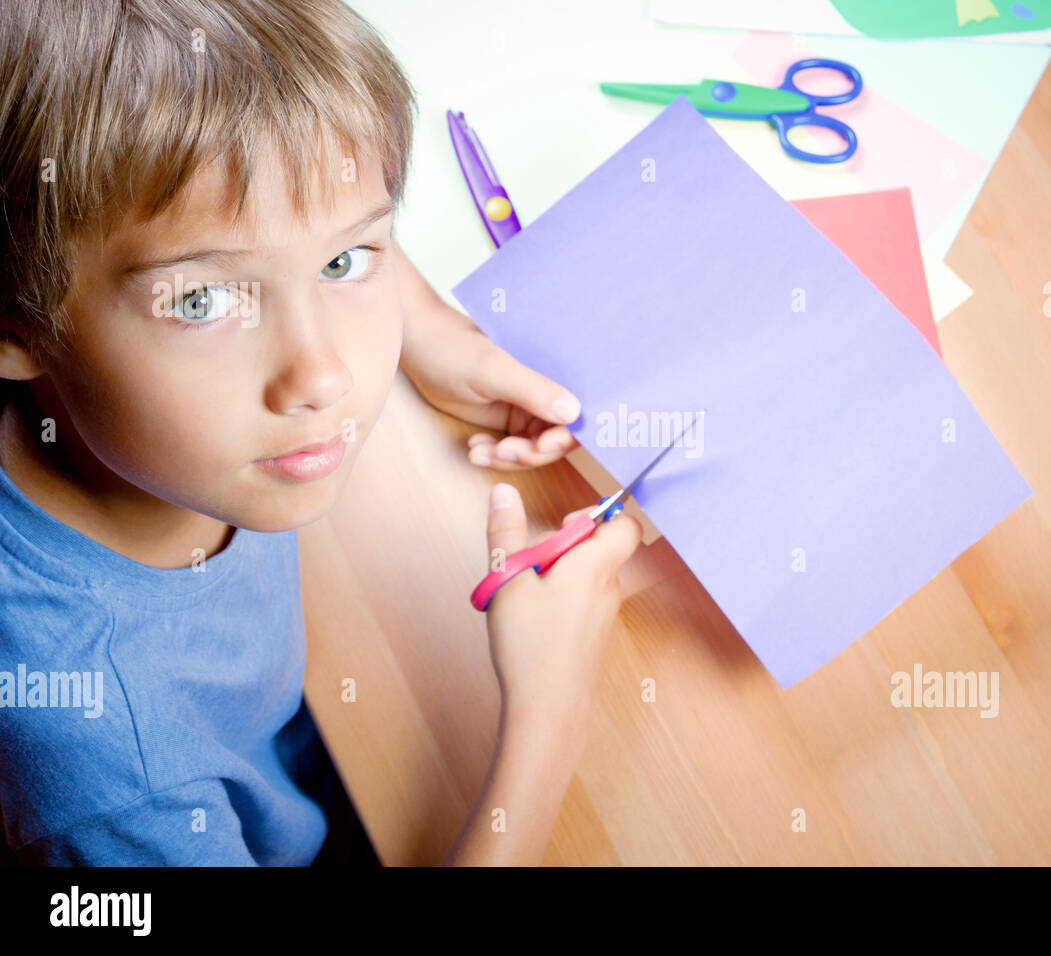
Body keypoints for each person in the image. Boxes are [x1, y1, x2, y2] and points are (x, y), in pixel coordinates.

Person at [0, 0, 640, 865]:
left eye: (342, 263)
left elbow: (282, 209)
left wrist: (432, 332)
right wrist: (549, 716)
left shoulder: (201, 429)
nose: (326, 377)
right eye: (201, 301)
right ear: (17, 325)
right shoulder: (116, 782)